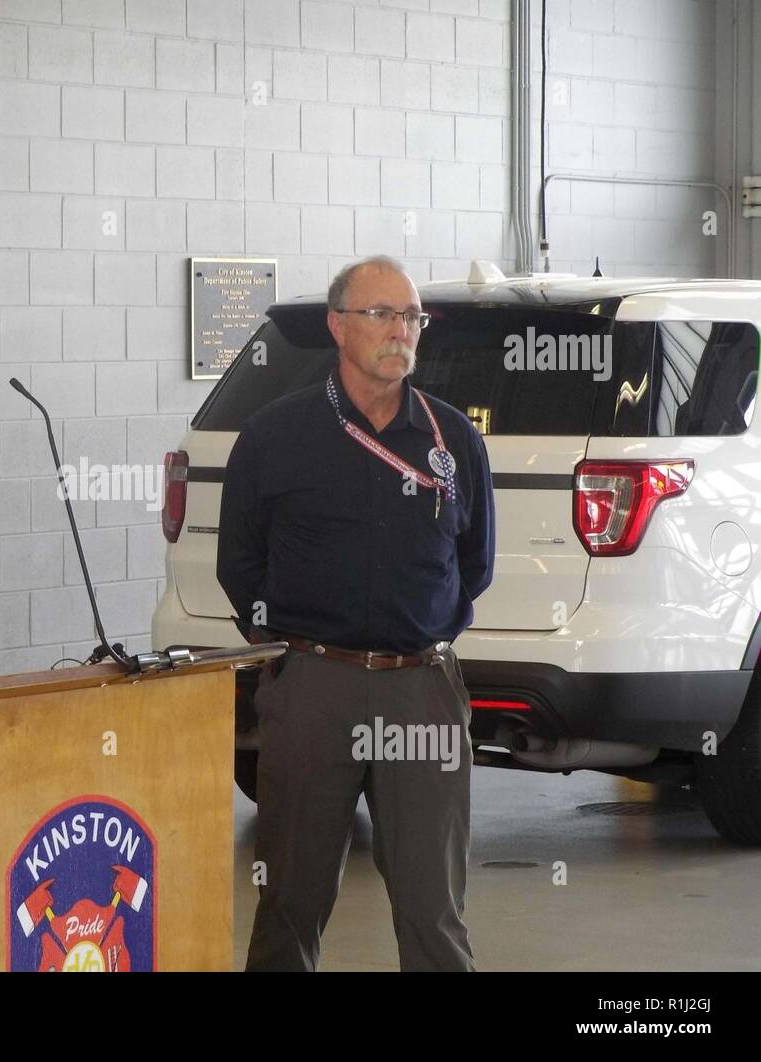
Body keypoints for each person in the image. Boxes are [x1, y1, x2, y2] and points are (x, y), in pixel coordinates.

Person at [218, 255, 495, 972]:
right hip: (315, 688)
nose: (401, 331)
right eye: (382, 314)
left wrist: (420, 639)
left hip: (421, 691)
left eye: (411, 317)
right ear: (338, 326)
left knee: (434, 909)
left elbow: (474, 566)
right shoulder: (275, 436)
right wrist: (295, 659)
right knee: (290, 900)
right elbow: (239, 566)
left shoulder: (453, 441)